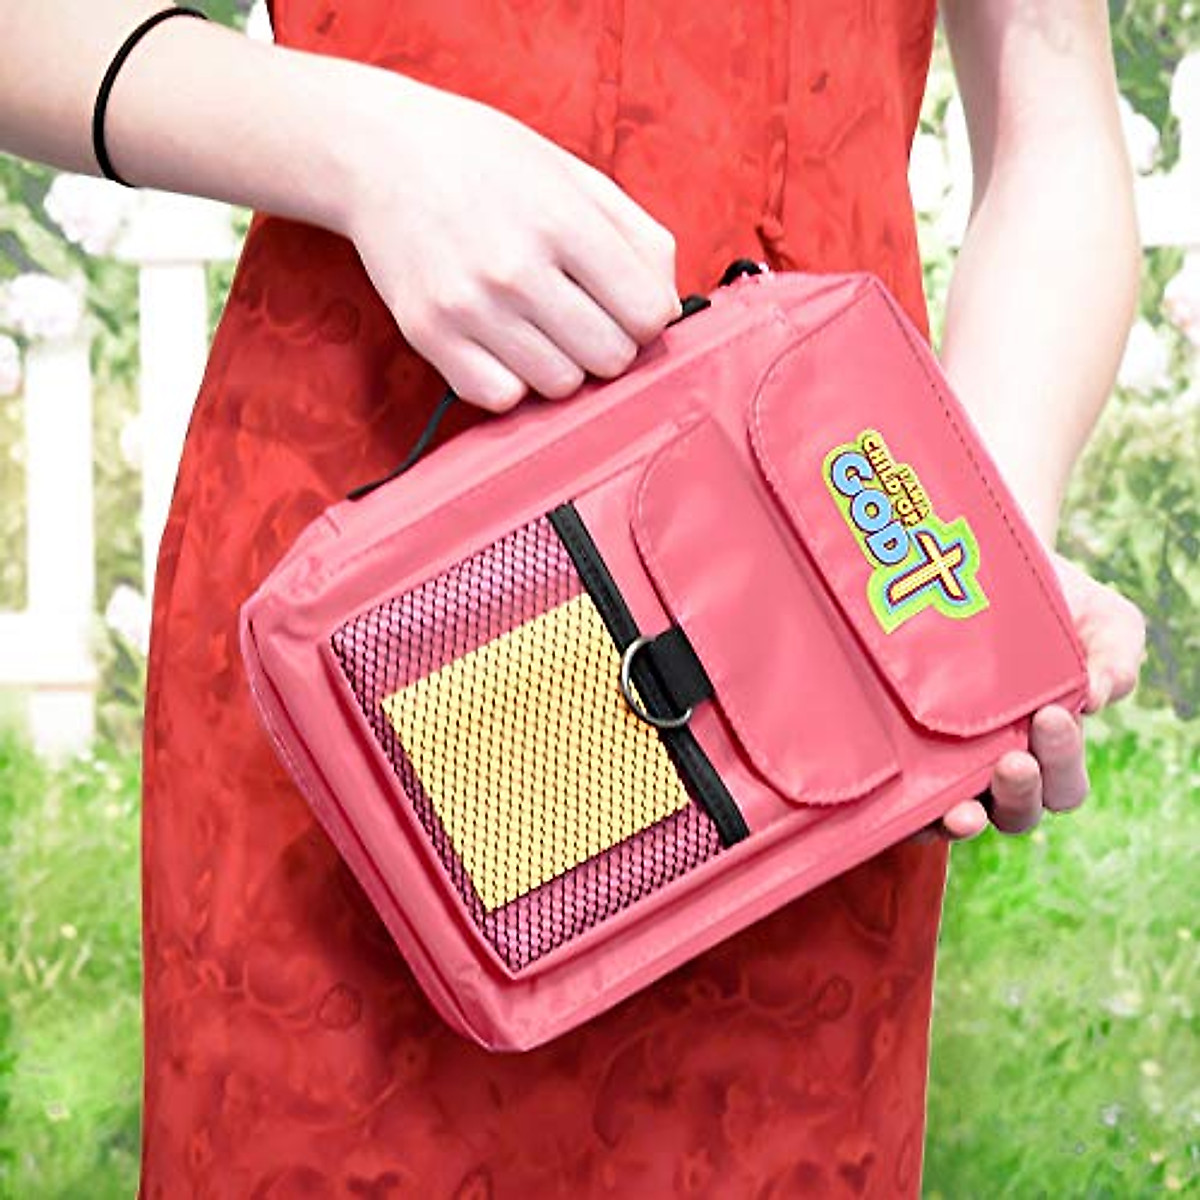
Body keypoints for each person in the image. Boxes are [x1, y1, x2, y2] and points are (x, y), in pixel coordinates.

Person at [1, 1, 1148, 1194]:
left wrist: (974, 557)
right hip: (374, 597)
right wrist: (369, 152)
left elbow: (1050, 108)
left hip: (810, 589)